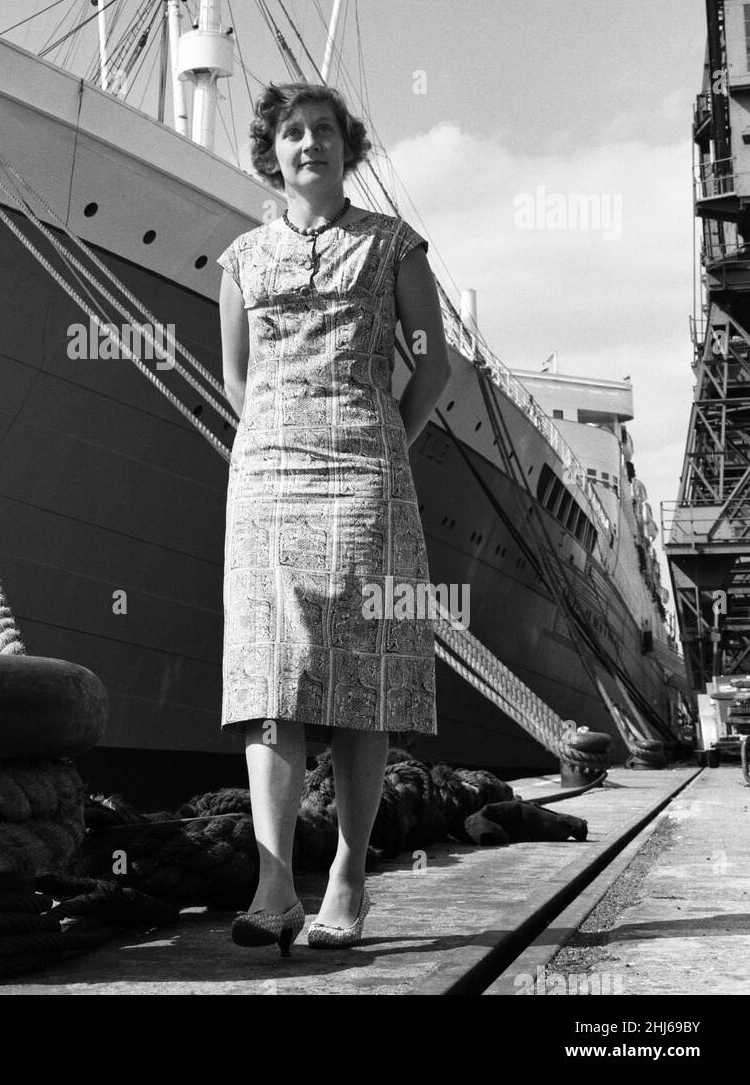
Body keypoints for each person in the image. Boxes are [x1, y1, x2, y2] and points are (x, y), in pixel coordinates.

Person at [216, 82, 451, 956]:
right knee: (270, 679)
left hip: (365, 477)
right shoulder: (240, 259)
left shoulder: (394, 248)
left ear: (347, 148)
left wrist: (386, 435)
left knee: (362, 675)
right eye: (291, 133)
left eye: (323, 131)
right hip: (269, 481)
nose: (307, 143)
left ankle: (349, 873)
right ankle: (274, 882)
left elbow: (431, 370)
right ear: (270, 152)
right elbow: (238, 381)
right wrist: (276, 441)